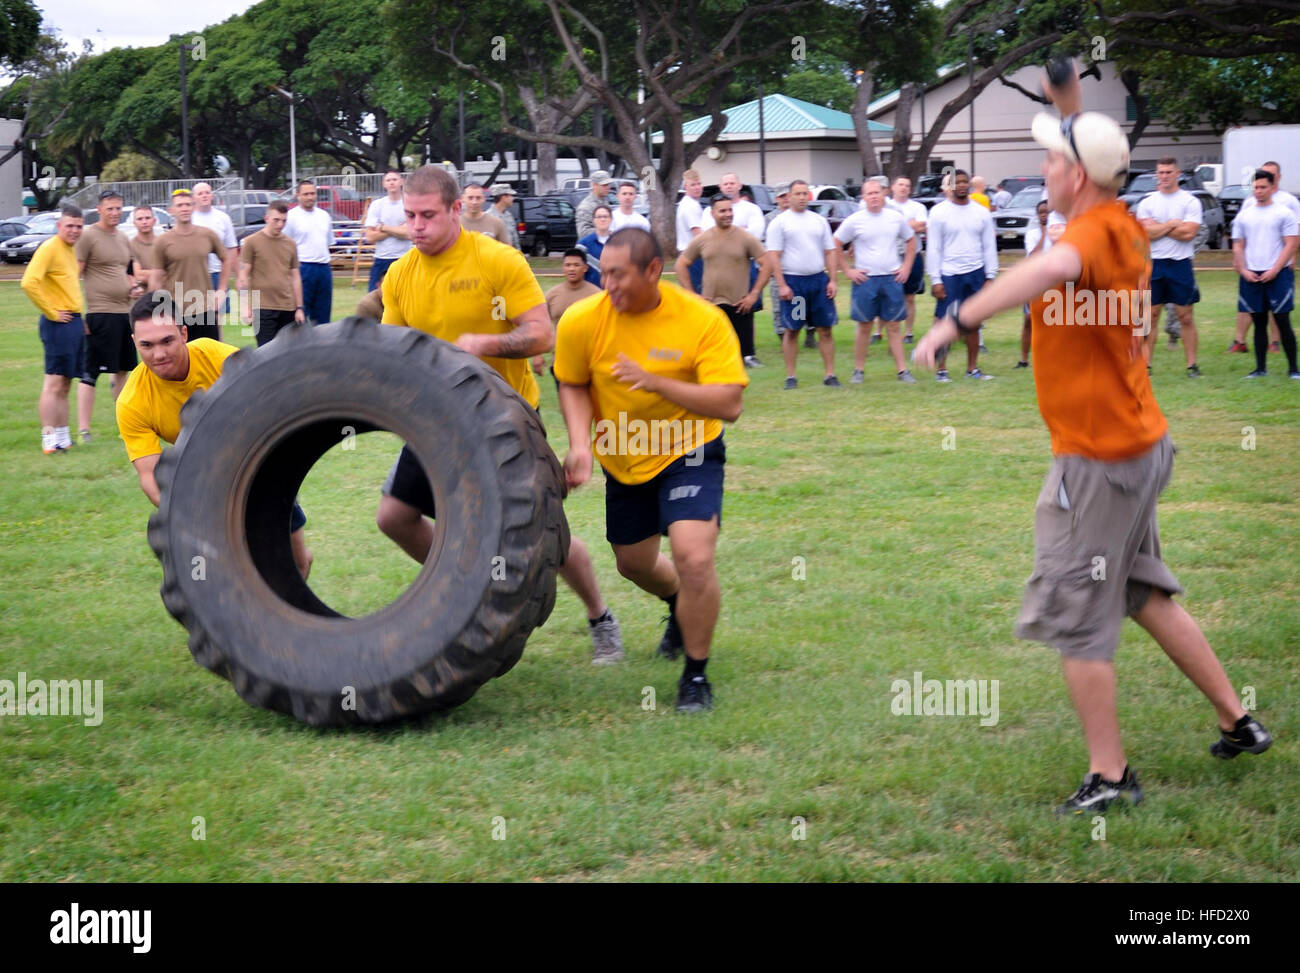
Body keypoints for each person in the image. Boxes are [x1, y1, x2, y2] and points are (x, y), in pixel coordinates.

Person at [912, 64, 1272, 816]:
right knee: (1140, 591)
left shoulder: (1090, 235)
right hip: (1139, 444)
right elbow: (1082, 169)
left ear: (1076, 175)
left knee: (1079, 612)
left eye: (1051, 161)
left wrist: (958, 319)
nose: (1042, 169)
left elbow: (1049, 267)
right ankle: (1238, 721)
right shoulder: (1115, 217)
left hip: (1100, 462)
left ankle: (1110, 777)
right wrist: (1067, 100)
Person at [378, 165, 623, 665]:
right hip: (436, 420)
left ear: (454, 211)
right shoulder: (400, 274)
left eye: (428, 215)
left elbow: (541, 334)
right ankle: (462, 583)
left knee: (542, 537)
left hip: (503, 420)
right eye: (409, 216)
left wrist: (484, 343)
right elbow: (392, 351)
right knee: (395, 516)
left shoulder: (497, 260)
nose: (417, 226)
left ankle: (600, 618)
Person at [554, 227, 747, 711]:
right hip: (623, 454)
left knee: (694, 557)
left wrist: (656, 382)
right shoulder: (582, 320)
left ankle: (695, 678)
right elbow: (572, 383)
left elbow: (729, 402)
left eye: (620, 275)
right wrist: (580, 445)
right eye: (606, 274)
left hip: (690, 449)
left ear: (654, 271)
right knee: (633, 563)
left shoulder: (699, 319)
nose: (610, 285)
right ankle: (680, 606)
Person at [116, 290, 313, 578]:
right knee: (234, 575)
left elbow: (271, 397)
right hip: (204, 481)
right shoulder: (132, 401)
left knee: (297, 563)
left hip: (259, 462)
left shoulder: (214, 356)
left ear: (183, 333)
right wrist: (193, 517)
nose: (158, 354)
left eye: (167, 341)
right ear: (134, 342)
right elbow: (151, 477)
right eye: (146, 345)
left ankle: (287, 620)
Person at [835, 178, 917, 383]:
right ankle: (859, 370)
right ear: (863, 197)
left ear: (884, 195)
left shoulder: (894, 217)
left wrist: (906, 266)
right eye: (869, 193)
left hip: (891, 278)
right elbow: (835, 243)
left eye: (877, 193)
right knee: (864, 326)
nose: (873, 197)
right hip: (866, 280)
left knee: (894, 326)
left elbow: (911, 239)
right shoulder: (855, 220)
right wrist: (847, 270)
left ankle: (902, 370)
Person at [75, 190, 141, 442]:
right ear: (99, 209)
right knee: (91, 373)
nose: (115, 213)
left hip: (125, 314)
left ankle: (123, 424)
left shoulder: (124, 238)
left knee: (123, 371)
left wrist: (133, 286)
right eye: (110, 208)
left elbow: (127, 270)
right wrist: (78, 313)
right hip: (99, 314)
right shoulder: (89, 236)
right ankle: (84, 429)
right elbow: (74, 275)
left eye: (118, 208)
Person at [675, 194, 770, 368]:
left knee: (743, 359)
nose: (727, 214)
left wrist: (754, 294)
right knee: (715, 357)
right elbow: (681, 264)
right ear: (712, 213)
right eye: (722, 211)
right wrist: (692, 294)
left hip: (740, 304)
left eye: (729, 210)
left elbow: (767, 263)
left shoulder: (745, 237)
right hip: (712, 306)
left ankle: (748, 357)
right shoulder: (703, 239)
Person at [22, 204, 85, 454]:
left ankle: (62, 436)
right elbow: (29, 282)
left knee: (66, 383)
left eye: (79, 226)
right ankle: (49, 438)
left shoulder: (69, 250)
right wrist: (51, 312)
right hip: (58, 323)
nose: (74, 230)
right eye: (69, 225)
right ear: (59, 226)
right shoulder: (49, 247)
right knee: (53, 382)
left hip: (73, 322)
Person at [925, 169, 997, 381]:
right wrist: (936, 280)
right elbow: (934, 249)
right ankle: (942, 370)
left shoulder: (981, 212)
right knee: (944, 323)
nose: (963, 185)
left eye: (966, 181)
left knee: (973, 322)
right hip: (949, 274)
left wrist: (990, 277)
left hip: (975, 273)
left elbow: (989, 246)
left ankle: (972, 369)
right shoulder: (938, 212)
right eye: (959, 182)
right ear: (951, 186)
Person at [767, 180, 840, 387]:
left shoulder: (818, 221)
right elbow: (773, 255)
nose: (801, 197)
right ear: (789, 197)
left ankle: (830, 374)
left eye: (804, 193)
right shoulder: (780, 223)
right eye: (797, 193)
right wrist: (782, 285)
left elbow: (829, 251)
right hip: (795, 285)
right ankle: (791, 376)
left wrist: (833, 280)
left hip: (818, 282)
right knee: (793, 329)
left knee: (824, 329)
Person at [1136, 157, 1203, 377]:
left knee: (1185, 316)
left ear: (1177, 173)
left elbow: (1189, 234)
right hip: (1154, 264)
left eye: (1168, 172)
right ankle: (1145, 365)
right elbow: (1145, 234)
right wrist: (1172, 224)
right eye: (1161, 172)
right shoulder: (1147, 202)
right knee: (1151, 316)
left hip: (1180, 264)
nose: (1164, 176)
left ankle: (1191, 365)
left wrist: (1158, 227)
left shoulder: (1190, 201)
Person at [1232, 168, 1299, 379]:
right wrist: (1243, 270)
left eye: (1263, 187)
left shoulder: (1283, 213)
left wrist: (1275, 269)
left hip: (1277, 274)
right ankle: (1260, 369)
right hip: (1252, 275)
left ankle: (1293, 370)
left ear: (1272, 188)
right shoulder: (1244, 215)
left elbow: (1291, 245)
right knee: (1258, 321)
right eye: (1255, 188)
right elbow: (1238, 246)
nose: (1259, 191)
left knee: (1282, 320)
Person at [149, 189, 227, 342]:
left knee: (210, 357)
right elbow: (155, 280)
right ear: (171, 210)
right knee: (181, 359)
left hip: (205, 308)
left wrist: (222, 289)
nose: (184, 209)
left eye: (188, 205)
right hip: (176, 311)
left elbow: (227, 258)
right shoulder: (163, 241)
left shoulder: (207, 235)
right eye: (179, 205)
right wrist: (158, 310)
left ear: (193, 207)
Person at [237, 200, 306, 346]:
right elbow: (243, 276)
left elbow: (295, 277)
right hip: (262, 308)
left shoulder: (290, 244)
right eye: (276, 220)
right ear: (266, 218)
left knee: (287, 355)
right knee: (266, 354)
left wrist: (299, 308)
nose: (280, 225)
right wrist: (244, 306)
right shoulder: (252, 242)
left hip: (287, 307)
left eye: (284, 221)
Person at [885, 176, 928, 344]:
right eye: (900, 184)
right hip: (891, 255)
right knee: (888, 295)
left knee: (909, 296)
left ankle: (908, 333)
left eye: (907, 185)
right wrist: (909, 224)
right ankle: (880, 331)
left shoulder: (917, 207)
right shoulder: (886, 205)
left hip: (913, 255)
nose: (903, 188)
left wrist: (899, 225)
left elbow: (922, 226)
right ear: (892, 187)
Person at [284, 180, 333, 325]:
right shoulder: (291, 217)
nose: (310, 197)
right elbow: (285, 246)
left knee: (323, 314)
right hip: (303, 268)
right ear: (298, 195)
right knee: (302, 315)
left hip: (323, 267)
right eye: (306, 194)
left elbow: (328, 243)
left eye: (312, 193)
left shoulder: (324, 216)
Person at [1017, 199, 1054, 369]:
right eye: (1041, 212)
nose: (1044, 215)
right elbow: (1033, 255)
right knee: (1028, 319)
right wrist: (1045, 234)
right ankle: (1024, 359)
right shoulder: (1032, 234)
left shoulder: (1062, 231)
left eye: (1047, 212)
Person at [190, 182, 238, 313]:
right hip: (195, 275)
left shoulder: (223, 218)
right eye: (200, 193)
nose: (204, 196)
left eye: (207, 192)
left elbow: (231, 248)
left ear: (212, 196)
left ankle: (218, 335)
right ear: (193, 198)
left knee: (218, 316)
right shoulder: (189, 219)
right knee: (196, 315)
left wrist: (235, 274)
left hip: (218, 274)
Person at [363, 169, 412, 290]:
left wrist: (383, 227)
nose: (392, 183)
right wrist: (398, 229)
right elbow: (369, 237)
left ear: (401, 182)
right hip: (381, 259)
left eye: (394, 179)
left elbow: (410, 234)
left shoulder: (410, 203)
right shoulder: (377, 205)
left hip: (404, 259)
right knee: (375, 301)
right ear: (383, 184)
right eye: (388, 180)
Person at [675, 168, 706, 292]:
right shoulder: (690, 206)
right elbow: (698, 234)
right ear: (686, 187)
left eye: (699, 184)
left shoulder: (692, 203)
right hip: (693, 257)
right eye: (693, 185)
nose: (697, 187)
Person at [576, 205, 613, 287]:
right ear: (593, 220)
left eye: (605, 216)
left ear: (611, 219)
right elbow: (577, 272)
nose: (602, 219)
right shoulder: (583, 245)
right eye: (599, 217)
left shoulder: (619, 243)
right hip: (591, 294)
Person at [129, 205, 161, 290]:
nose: (144, 222)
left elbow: (172, 274)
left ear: (154, 221)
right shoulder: (131, 246)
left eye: (147, 218)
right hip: (142, 299)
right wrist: (160, 275)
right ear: (134, 223)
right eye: (140, 219)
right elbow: (139, 276)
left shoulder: (163, 244)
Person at [574, 170, 614, 239]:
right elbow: (583, 232)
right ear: (594, 185)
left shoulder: (605, 203)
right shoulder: (586, 207)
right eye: (604, 185)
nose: (608, 187)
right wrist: (605, 232)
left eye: (608, 184)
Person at [489, 184, 520, 250]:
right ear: (503, 197)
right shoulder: (488, 217)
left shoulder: (509, 216)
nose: (513, 198)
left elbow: (515, 240)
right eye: (510, 195)